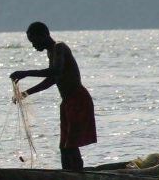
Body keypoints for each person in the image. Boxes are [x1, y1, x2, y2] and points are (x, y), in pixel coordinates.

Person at [9, 22, 96, 170]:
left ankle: (77, 178)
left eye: (34, 41)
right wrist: (25, 93)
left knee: (71, 145)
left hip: (78, 100)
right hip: (68, 102)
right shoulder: (51, 52)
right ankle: (68, 176)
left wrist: (25, 73)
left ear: (44, 35)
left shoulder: (59, 47)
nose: (34, 46)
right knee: (64, 146)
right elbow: (52, 80)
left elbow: (55, 71)